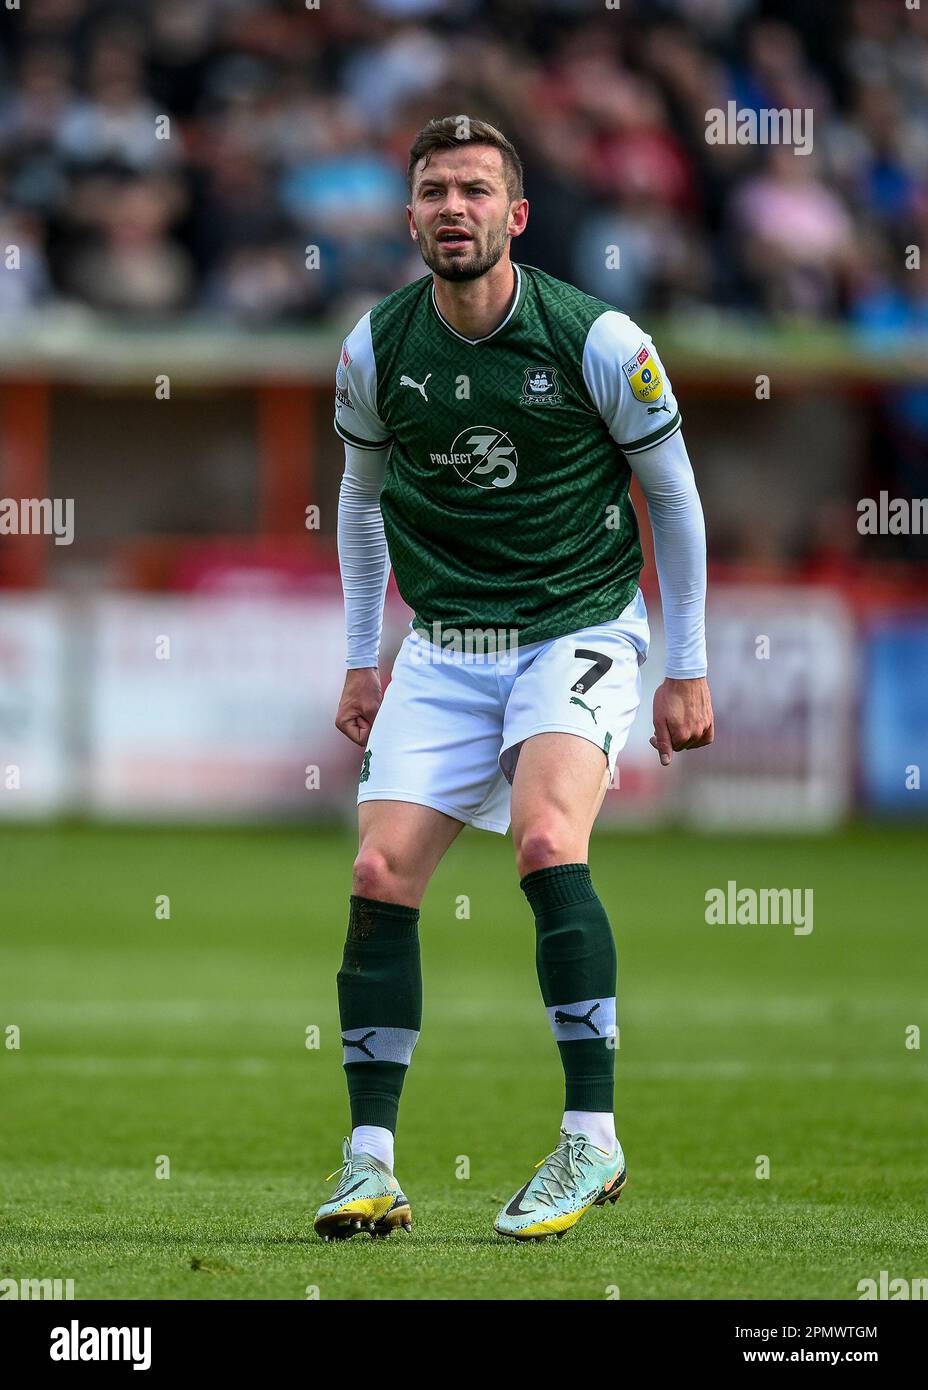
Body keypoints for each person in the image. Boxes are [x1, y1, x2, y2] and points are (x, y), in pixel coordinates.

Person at [315, 115, 713, 1243]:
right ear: (410, 216)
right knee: (379, 869)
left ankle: (590, 1141)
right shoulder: (375, 347)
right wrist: (361, 654)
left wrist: (684, 666)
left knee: (547, 841)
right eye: (435, 190)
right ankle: (369, 1165)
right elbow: (357, 500)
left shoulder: (596, 337)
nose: (454, 207)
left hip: (575, 628)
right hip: (444, 644)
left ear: (514, 215)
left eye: (476, 191)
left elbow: (673, 498)